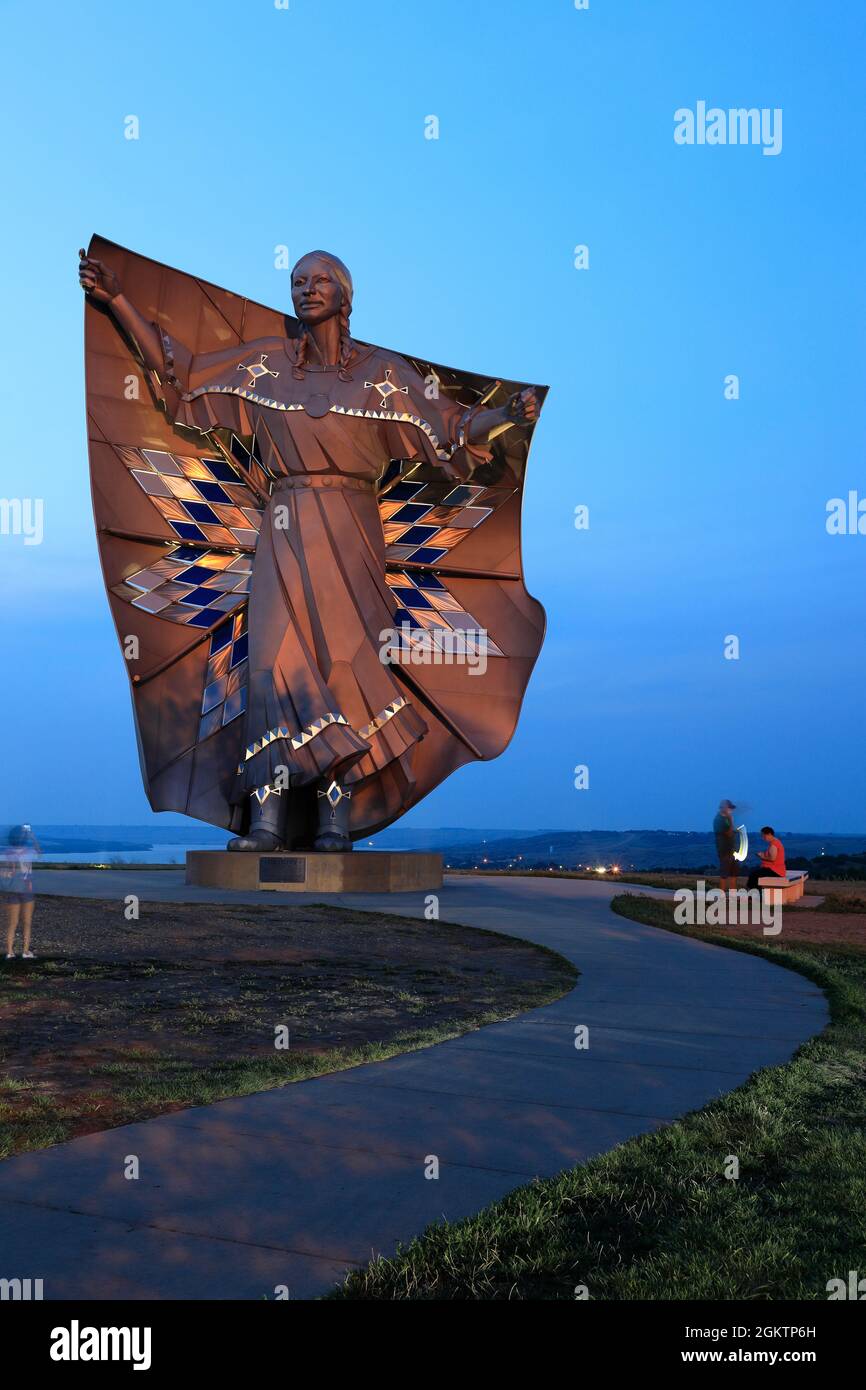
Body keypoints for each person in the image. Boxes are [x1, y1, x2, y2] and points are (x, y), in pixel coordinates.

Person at [79, 249, 540, 853]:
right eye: (297, 281)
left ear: (346, 296)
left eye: (320, 280)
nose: (306, 289)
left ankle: (334, 821)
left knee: (345, 669)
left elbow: (448, 427)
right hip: (284, 528)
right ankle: (266, 822)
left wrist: (506, 414)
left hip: (353, 536)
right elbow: (182, 372)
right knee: (271, 666)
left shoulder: (382, 375)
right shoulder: (267, 368)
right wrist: (117, 301)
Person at [2, 824, 41, 960]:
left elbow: (4, 871)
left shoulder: (7, 852)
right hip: (27, 889)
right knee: (27, 922)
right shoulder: (29, 851)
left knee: (12, 923)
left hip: (12, 889)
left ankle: (10, 952)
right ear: (24, 838)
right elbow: (39, 853)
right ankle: (25, 951)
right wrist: (33, 837)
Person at [713, 799, 738, 893]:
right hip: (724, 850)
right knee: (724, 874)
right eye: (729, 808)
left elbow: (730, 832)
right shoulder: (719, 819)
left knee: (733, 873)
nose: (731, 810)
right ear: (724, 808)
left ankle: (733, 895)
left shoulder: (725, 819)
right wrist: (731, 820)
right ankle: (722, 894)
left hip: (731, 850)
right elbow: (729, 833)